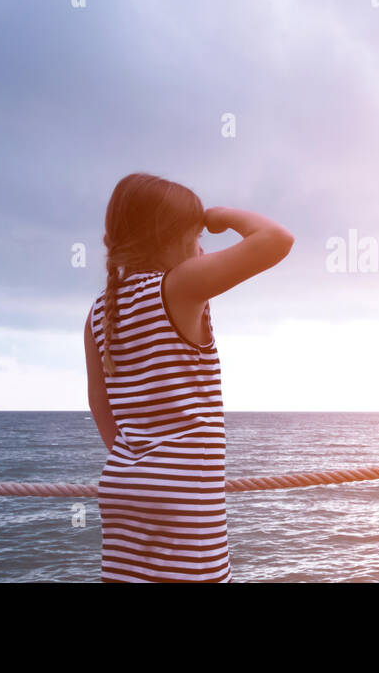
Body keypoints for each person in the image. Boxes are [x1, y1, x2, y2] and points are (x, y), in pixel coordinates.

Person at [83, 172, 293, 582]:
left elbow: (99, 403)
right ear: (171, 238)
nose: (202, 247)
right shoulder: (177, 286)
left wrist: (141, 461)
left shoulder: (99, 312)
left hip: (122, 485)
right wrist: (219, 215)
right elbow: (277, 239)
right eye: (197, 237)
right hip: (180, 496)